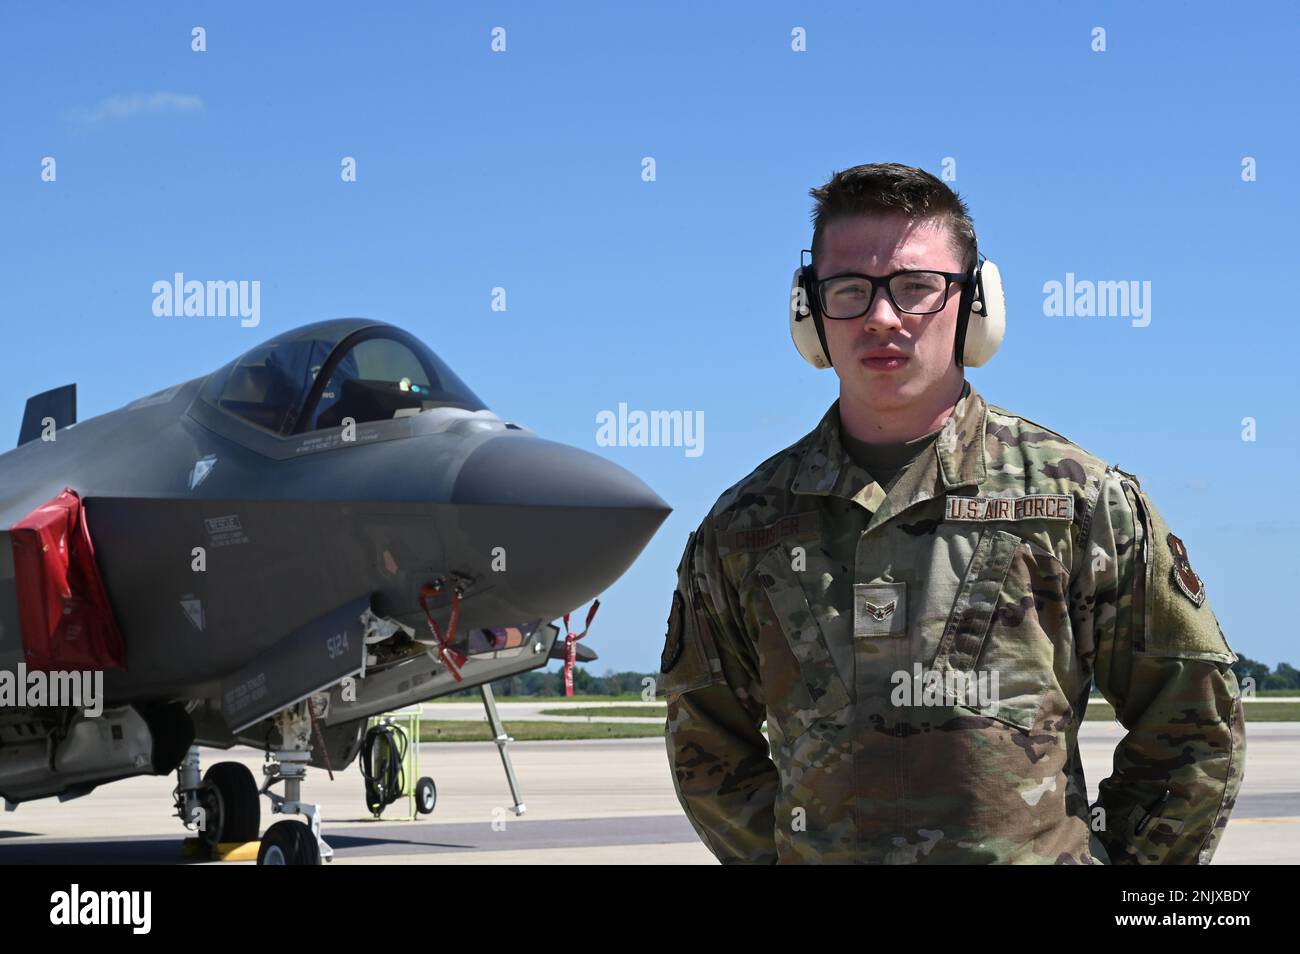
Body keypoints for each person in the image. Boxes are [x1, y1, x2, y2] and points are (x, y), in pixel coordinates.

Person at [660, 162, 1245, 864]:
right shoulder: (744, 527)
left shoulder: (1077, 501)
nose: (882, 316)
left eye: (916, 287)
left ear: (974, 306)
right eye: (848, 290)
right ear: (809, 313)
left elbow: (1193, 723)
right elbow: (705, 737)